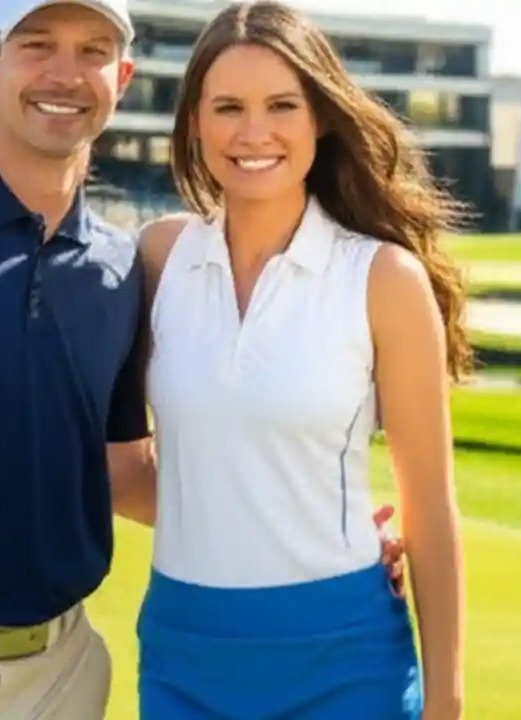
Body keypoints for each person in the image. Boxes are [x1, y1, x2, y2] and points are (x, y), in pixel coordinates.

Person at [0, 0, 404, 717]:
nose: (66, 73)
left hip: (64, 675)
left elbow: (125, 473)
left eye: (93, 50)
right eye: (37, 45)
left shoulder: (123, 269)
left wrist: (326, 530)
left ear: (121, 76)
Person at [132, 2, 467, 719]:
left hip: (341, 659)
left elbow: (430, 508)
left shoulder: (383, 280)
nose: (254, 133)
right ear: (194, 121)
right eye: (228, 107)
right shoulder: (158, 258)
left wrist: (447, 702)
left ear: (319, 116)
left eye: (282, 105)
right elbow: (123, 467)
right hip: (184, 652)